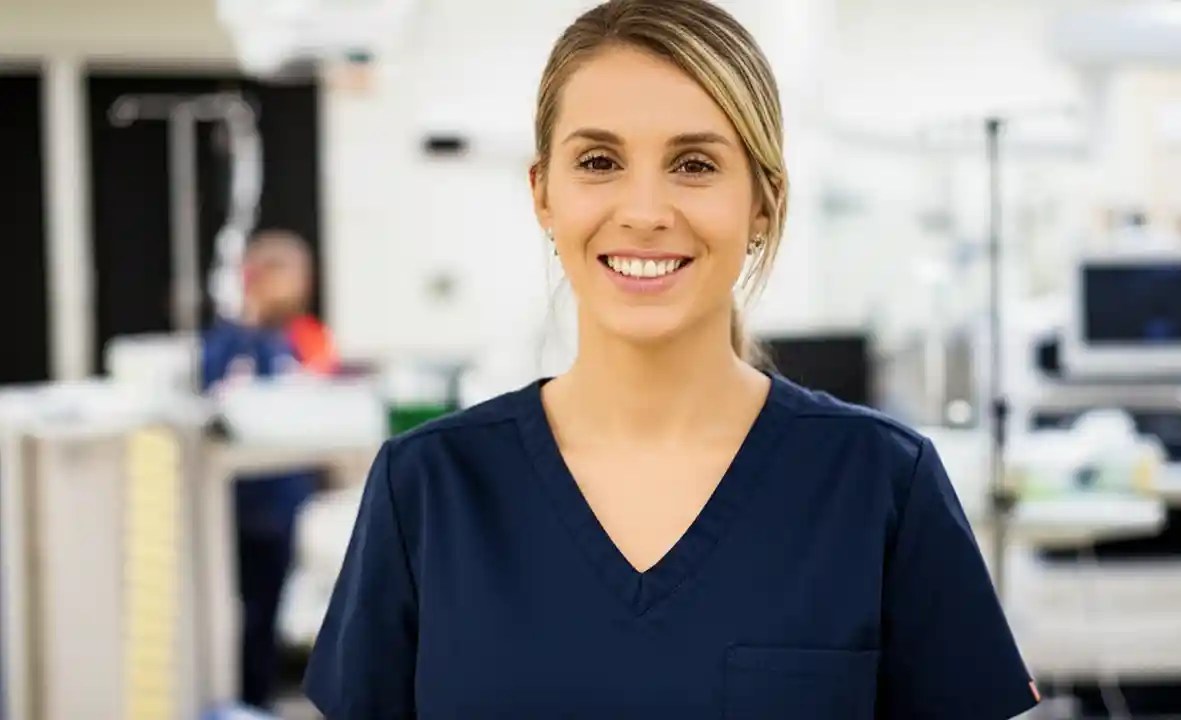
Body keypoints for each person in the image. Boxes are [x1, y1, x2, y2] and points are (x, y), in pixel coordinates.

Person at [303, 1, 1040, 717]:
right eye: (598, 161)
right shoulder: (430, 490)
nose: (646, 210)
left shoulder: (880, 484)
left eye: (693, 164)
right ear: (543, 195)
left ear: (764, 202)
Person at [202, 229, 335, 710]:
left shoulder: (303, 338)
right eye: (288, 276)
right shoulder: (228, 344)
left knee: (268, 611)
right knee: (238, 613)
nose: (300, 287)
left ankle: (258, 699)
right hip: (235, 504)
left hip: (283, 501)